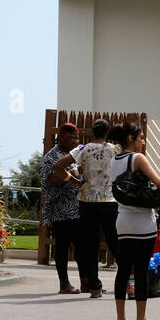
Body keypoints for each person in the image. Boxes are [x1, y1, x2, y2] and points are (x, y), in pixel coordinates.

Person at [108, 122, 160, 320]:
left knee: (124, 270)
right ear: (130, 138)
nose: (143, 142)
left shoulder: (114, 161)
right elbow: (159, 183)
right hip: (143, 221)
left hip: (122, 220)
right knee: (142, 270)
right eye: (141, 137)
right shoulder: (138, 158)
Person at [52, 118, 119, 298]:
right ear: (106, 133)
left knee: (90, 244)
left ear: (92, 132)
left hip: (87, 201)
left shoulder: (82, 149)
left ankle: (95, 287)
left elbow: (58, 167)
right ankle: (126, 281)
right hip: (108, 201)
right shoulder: (114, 149)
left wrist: (75, 182)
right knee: (114, 241)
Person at [40, 121, 83, 294]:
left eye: (76, 138)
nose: (74, 141)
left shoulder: (73, 154)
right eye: (71, 138)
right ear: (61, 137)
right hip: (60, 208)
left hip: (77, 207)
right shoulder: (53, 156)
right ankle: (64, 283)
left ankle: (86, 281)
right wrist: (73, 173)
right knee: (63, 247)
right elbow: (51, 179)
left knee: (81, 246)